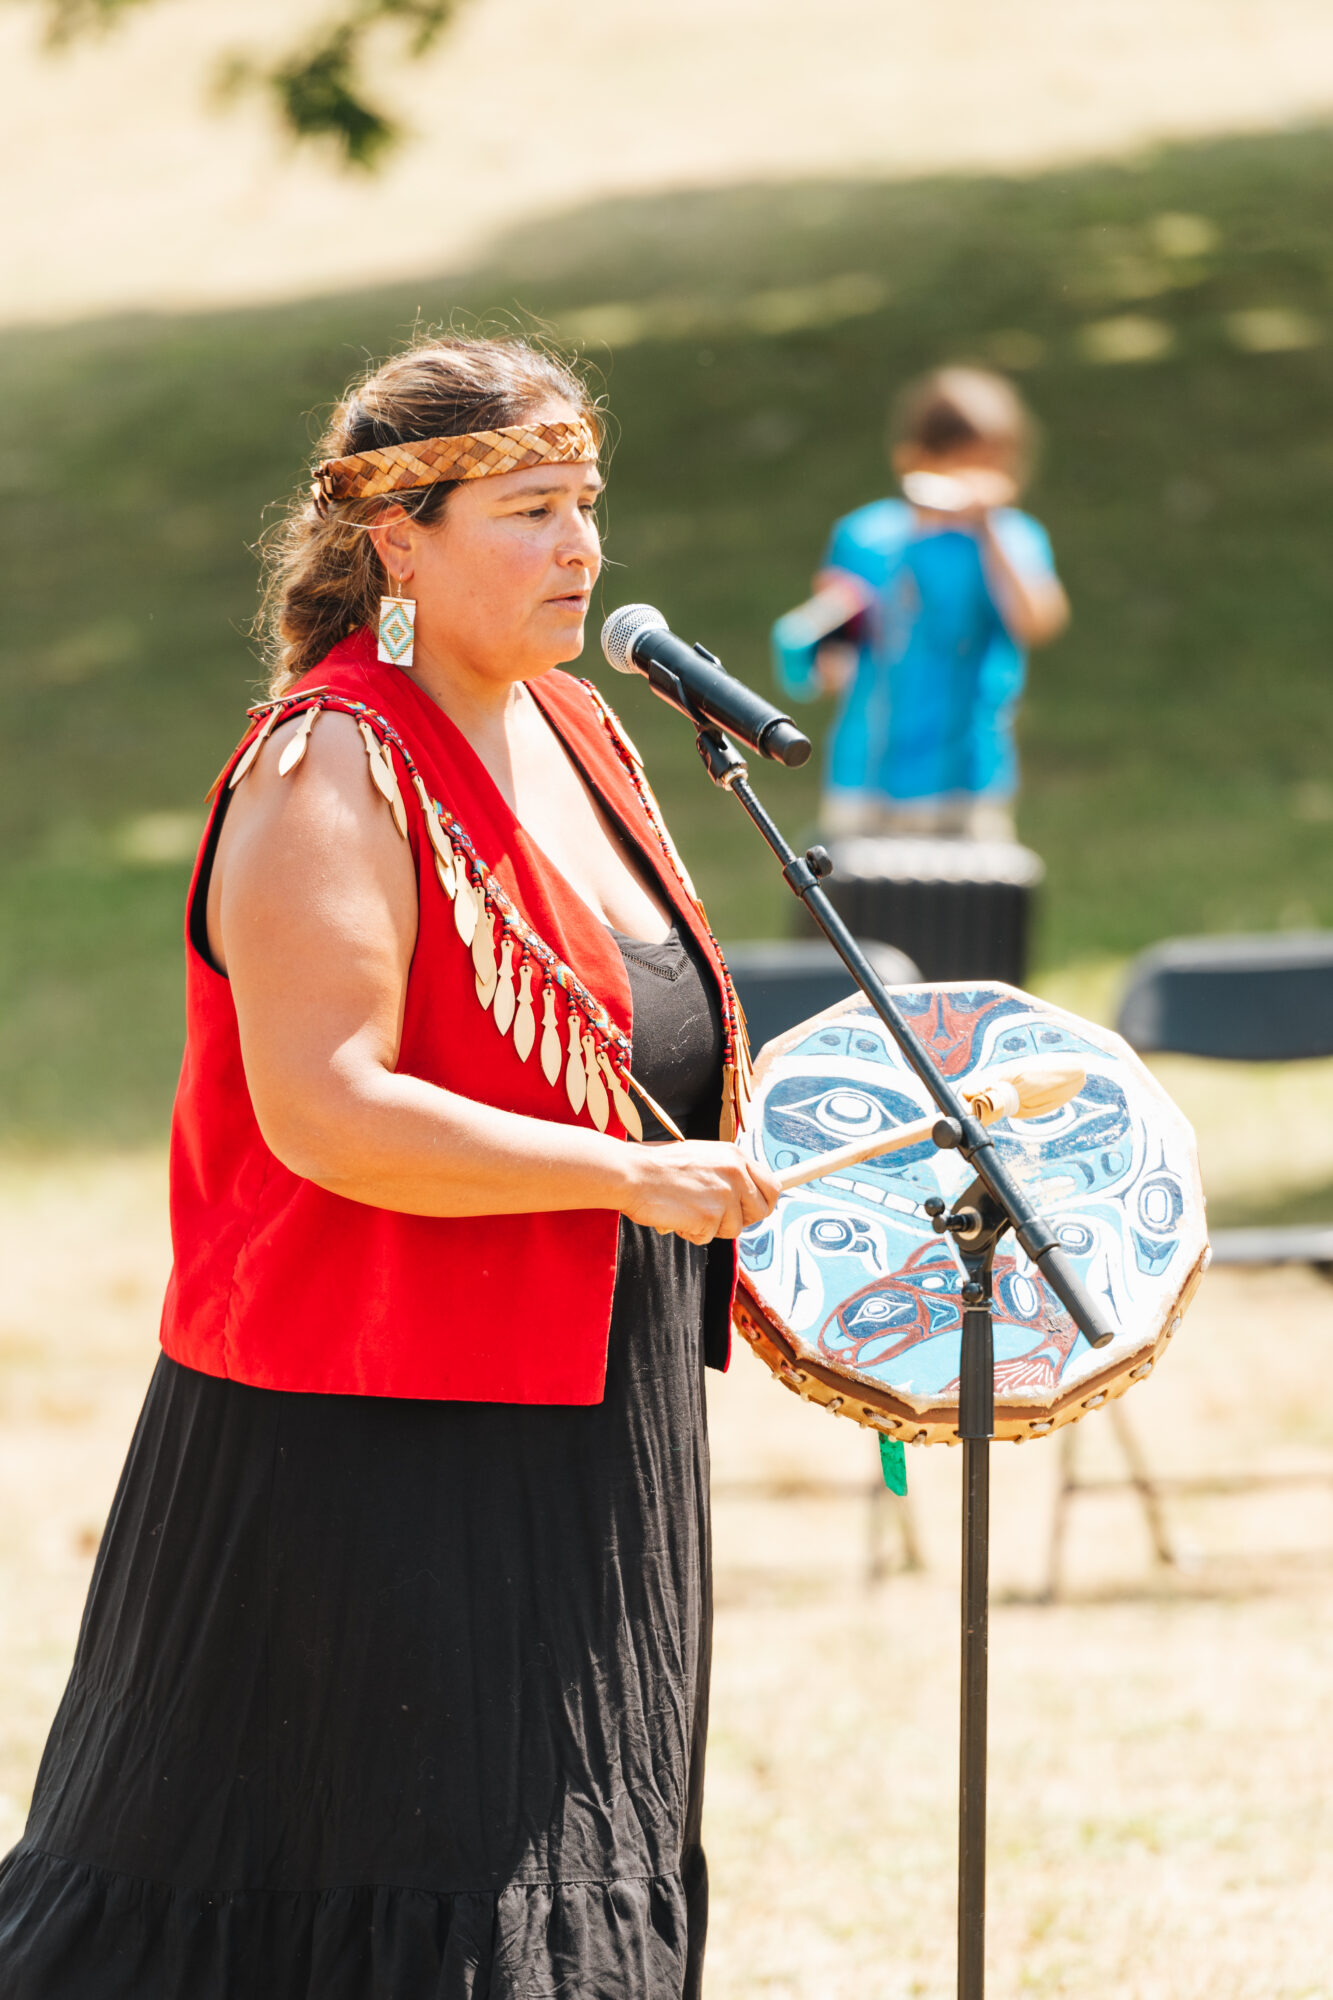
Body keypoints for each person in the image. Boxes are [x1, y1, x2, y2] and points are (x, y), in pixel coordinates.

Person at [0, 335, 779, 2000]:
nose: (579, 549)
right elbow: (330, 1105)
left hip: (588, 1412)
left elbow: (634, 1035)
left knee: (562, 1868)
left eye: (586, 506)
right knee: (371, 1898)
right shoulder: (330, 767)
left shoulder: (582, 734)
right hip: (370, 1437)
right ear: (397, 541)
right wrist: (625, 1179)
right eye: (529, 510)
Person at [771, 365, 1070, 842]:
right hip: (866, 773)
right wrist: (823, 654)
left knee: (969, 911)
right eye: (962, 466)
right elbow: (835, 651)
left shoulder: (1011, 539)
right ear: (914, 460)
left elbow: (1039, 622)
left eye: (993, 467)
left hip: (969, 776)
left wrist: (990, 526)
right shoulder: (866, 536)